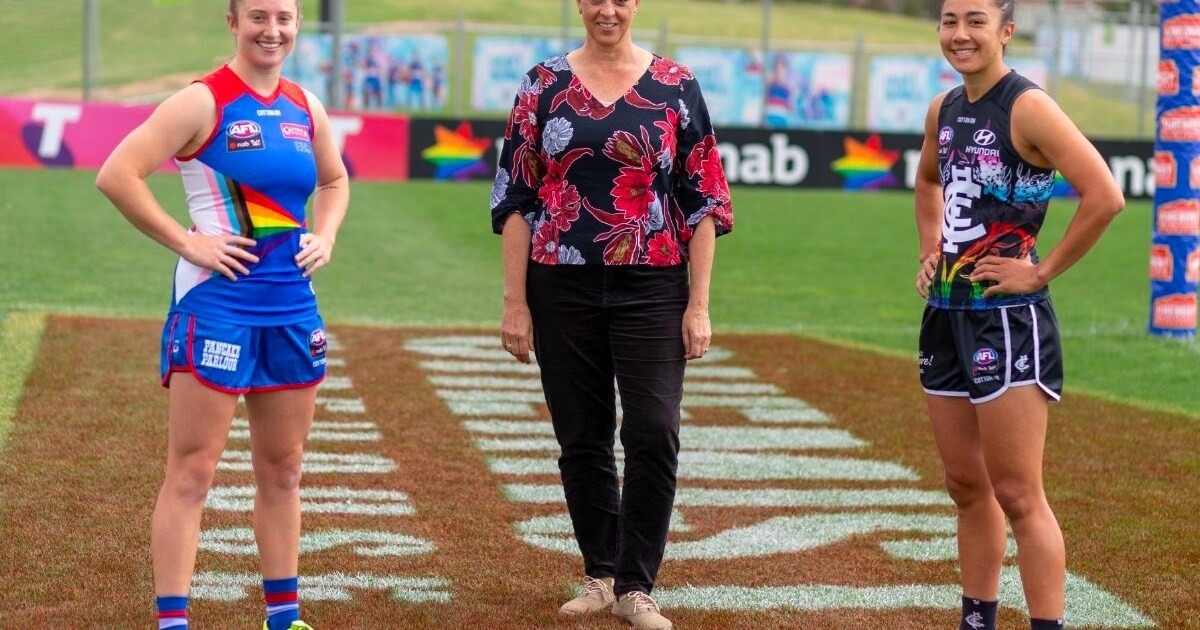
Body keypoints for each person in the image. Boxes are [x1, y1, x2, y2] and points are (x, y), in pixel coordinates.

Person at [95, 1, 349, 628]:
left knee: (284, 470)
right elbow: (117, 174)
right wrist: (189, 242)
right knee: (192, 471)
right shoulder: (202, 101)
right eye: (258, 16)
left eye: (284, 17)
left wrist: (328, 235)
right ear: (232, 22)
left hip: (291, 306)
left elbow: (335, 181)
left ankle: (284, 620)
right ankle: (174, 623)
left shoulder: (304, 106)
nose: (273, 29)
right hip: (216, 307)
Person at [490, 1, 733, 629]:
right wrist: (515, 302)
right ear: (579, 4)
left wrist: (699, 305)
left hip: (653, 283)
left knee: (654, 429)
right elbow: (514, 196)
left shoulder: (676, 86)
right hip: (559, 281)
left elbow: (704, 199)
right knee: (582, 436)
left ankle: (638, 587)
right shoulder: (542, 84)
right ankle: (602, 572)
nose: (608, 8)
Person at [913, 1, 1124, 629]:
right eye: (950, 20)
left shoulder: (1027, 107)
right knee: (966, 487)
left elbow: (1105, 195)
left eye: (976, 21)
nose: (960, 34)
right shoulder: (943, 109)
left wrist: (1040, 269)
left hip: (1007, 322)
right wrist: (930, 248)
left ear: (1006, 31)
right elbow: (927, 182)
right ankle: (976, 622)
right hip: (946, 314)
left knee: (1019, 495)